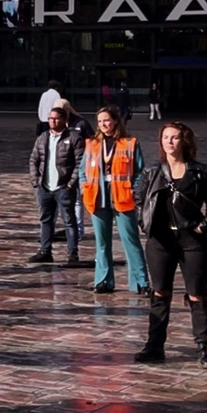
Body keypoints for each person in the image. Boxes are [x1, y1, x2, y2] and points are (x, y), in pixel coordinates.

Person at [135, 121, 207, 368]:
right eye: (166, 137)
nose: (170, 142)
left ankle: (203, 347)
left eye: (174, 137)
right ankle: (154, 346)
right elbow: (139, 201)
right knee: (160, 292)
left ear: (184, 141)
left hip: (192, 241)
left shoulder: (200, 172)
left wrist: (204, 225)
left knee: (197, 294)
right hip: (161, 242)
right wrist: (145, 225)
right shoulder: (153, 172)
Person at [81, 107, 147, 294]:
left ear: (116, 121)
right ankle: (103, 281)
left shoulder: (129, 143)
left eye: (107, 120)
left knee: (130, 241)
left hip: (122, 197)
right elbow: (82, 171)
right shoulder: (92, 144)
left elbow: (140, 171)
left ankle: (140, 282)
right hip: (97, 197)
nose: (103, 124)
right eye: (100, 121)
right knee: (102, 243)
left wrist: (134, 191)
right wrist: (84, 188)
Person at [28, 104, 85, 264]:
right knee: (45, 220)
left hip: (64, 187)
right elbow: (34, 159)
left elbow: (80, 162)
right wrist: (36, 181)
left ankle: (72, 254)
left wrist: (71, 183)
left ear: (64, 120)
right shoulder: (43, 137)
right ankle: (45, 251)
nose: (52, 121)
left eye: (56, 118)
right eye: (50, 118)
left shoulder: (73, 138)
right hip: (44, 187)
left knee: (69, 221)